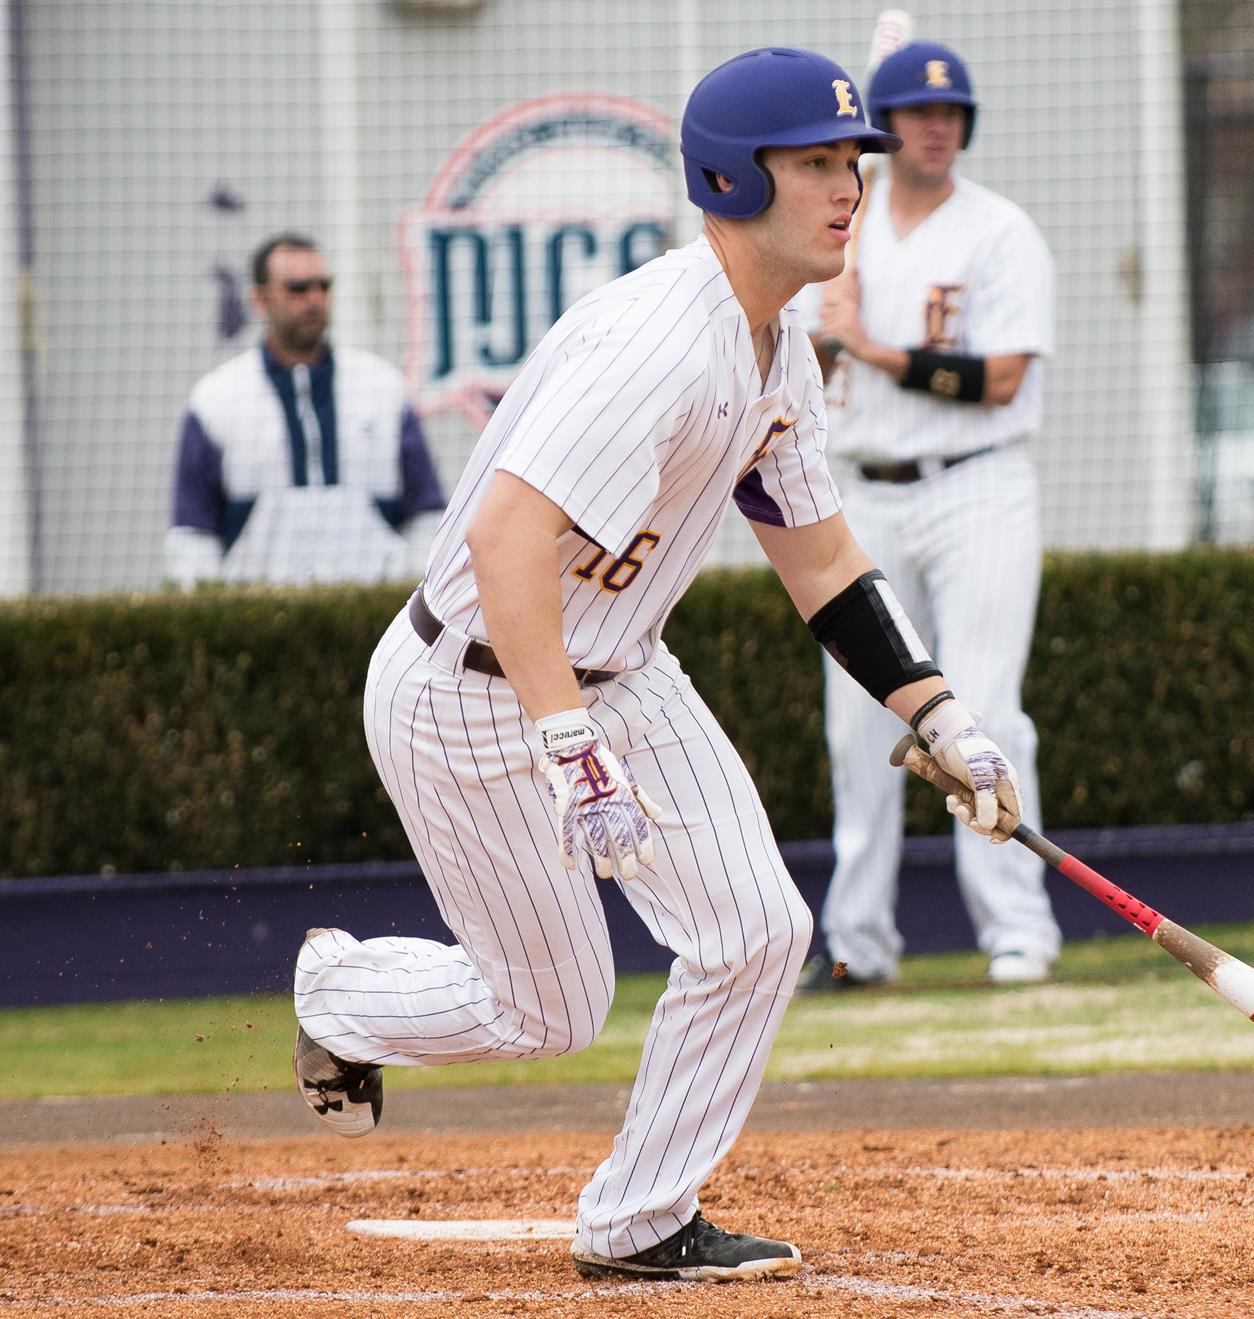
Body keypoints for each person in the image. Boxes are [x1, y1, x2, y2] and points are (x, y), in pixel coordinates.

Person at [288, 46, 1025, 1284]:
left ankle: (636, 1218)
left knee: (754, 928)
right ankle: (338, 997)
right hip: (470, 690)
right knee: (549, 1012)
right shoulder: (655, 341)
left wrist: (940, 711)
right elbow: (505, 541)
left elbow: (824, 563)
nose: (847, 187)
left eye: (852, 162)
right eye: (814, 164)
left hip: (622, 668)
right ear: (733, 181)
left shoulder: (778, 346)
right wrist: (569, 746)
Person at [796, 41, 1061, 989]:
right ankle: (856, 941)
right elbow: (807, 377)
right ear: (884, 129)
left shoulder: (998, 232)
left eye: (951, 113)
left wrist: (870, 344)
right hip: (862, 490)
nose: (936, 126)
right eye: (915, 111)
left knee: (981, 706)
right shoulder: (839, 233)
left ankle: (1015, 927)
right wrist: (828, 342)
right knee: (856, 723)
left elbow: (1001, 379)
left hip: (978, 486)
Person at [166, 233, 446, 587]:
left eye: (323, 286)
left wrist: (411, 601)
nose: (314, 299)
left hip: (375, 620)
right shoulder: (215, 400)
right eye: (298, 288)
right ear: (260, 299)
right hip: (258, 619)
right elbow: (193, 533)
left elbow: (426, 514)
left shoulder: (383, 388)